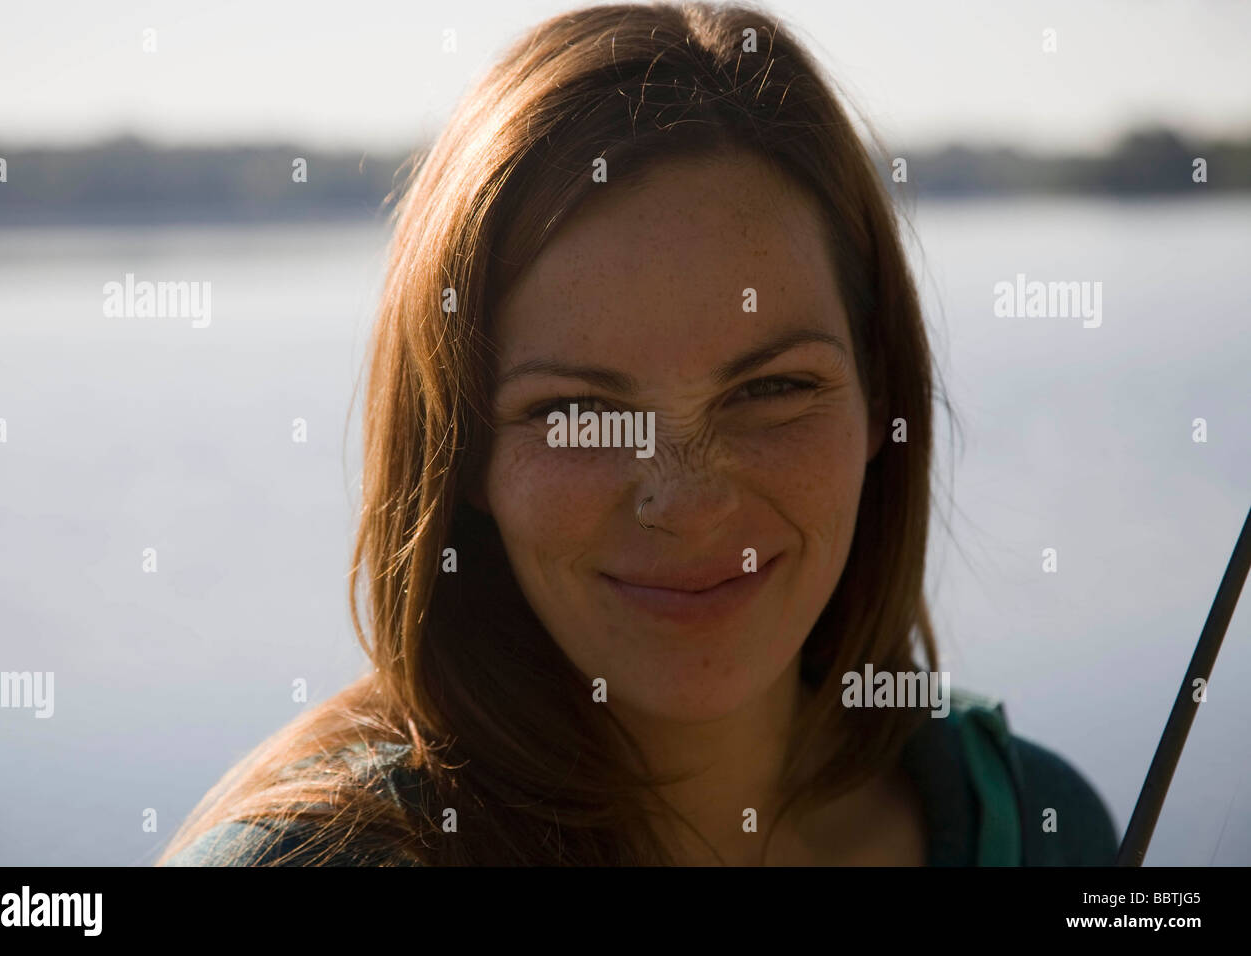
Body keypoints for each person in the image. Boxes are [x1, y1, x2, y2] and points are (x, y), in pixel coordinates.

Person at [159, 1, 1117, 867]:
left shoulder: (1043, 828)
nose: (686, 500)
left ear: (879, 398)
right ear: (464, 460)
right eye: (576, 414)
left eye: (772, 387)